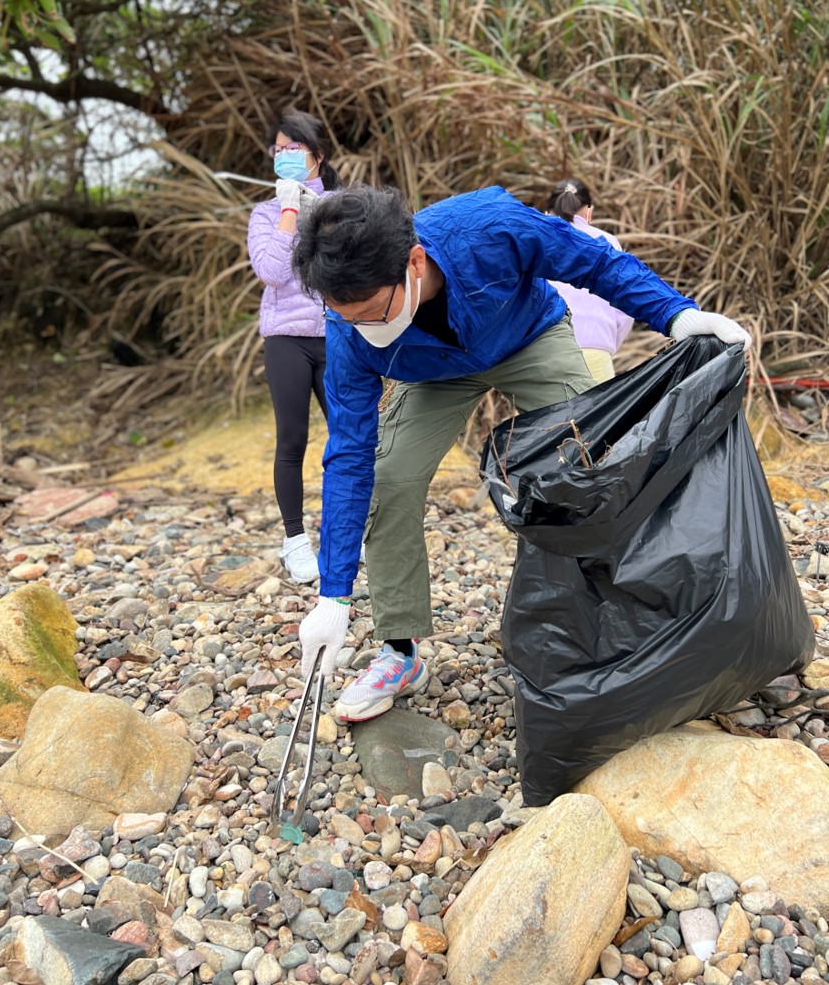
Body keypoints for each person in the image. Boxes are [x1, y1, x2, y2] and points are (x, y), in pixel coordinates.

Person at [292, 183, 751, 722]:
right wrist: (334, 595)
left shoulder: (489, 227)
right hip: (429, 374)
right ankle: (399, 650)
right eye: (345, 316)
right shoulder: (349, 329)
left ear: (414, 261)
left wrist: (676, 315)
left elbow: (596, 263)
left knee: (593, 463)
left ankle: (630, 611)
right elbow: (348, 454)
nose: (359, 327)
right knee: (388, 475)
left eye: (370, 311)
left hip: (528, 338)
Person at [247, 110, 341, 583]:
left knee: (348, 438)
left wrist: (315, 212)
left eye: (293, 150)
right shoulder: (265, 213)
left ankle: (343, 534)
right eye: (278, 150)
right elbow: (271, 272)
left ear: (318, 157)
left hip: (337, 334)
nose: (283, 157)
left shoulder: (341, 205)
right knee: (293, 440)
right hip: (286, 338)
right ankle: (294, 541)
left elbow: (346, 263)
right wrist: (288, 212)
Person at [546, 177, 634, 383]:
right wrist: (607, 343)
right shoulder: (607, 242)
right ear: (589, 212)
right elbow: (626, 306)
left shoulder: (536, 241)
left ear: (547, 211)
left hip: (544, 351)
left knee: (543, 416)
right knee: (600, 415)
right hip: (596, 348)